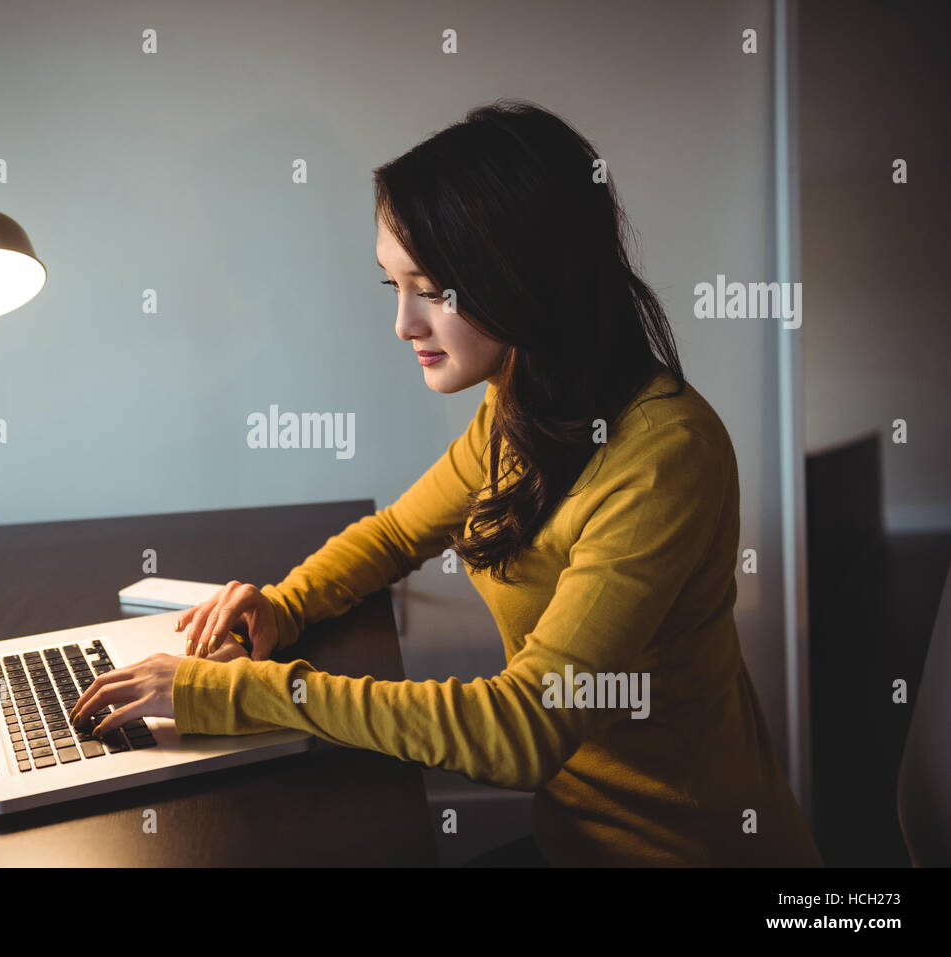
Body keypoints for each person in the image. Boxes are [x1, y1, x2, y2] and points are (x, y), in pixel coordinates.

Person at [69, 100, 823, 866]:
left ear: (523, 277)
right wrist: (280, 606)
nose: (403, 323)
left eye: (430, 290)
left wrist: (237, 692)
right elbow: (397, 533)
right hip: (575, 839)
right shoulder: (525, 400)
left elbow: (525, 726)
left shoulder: (664, 458)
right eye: (392, 285)